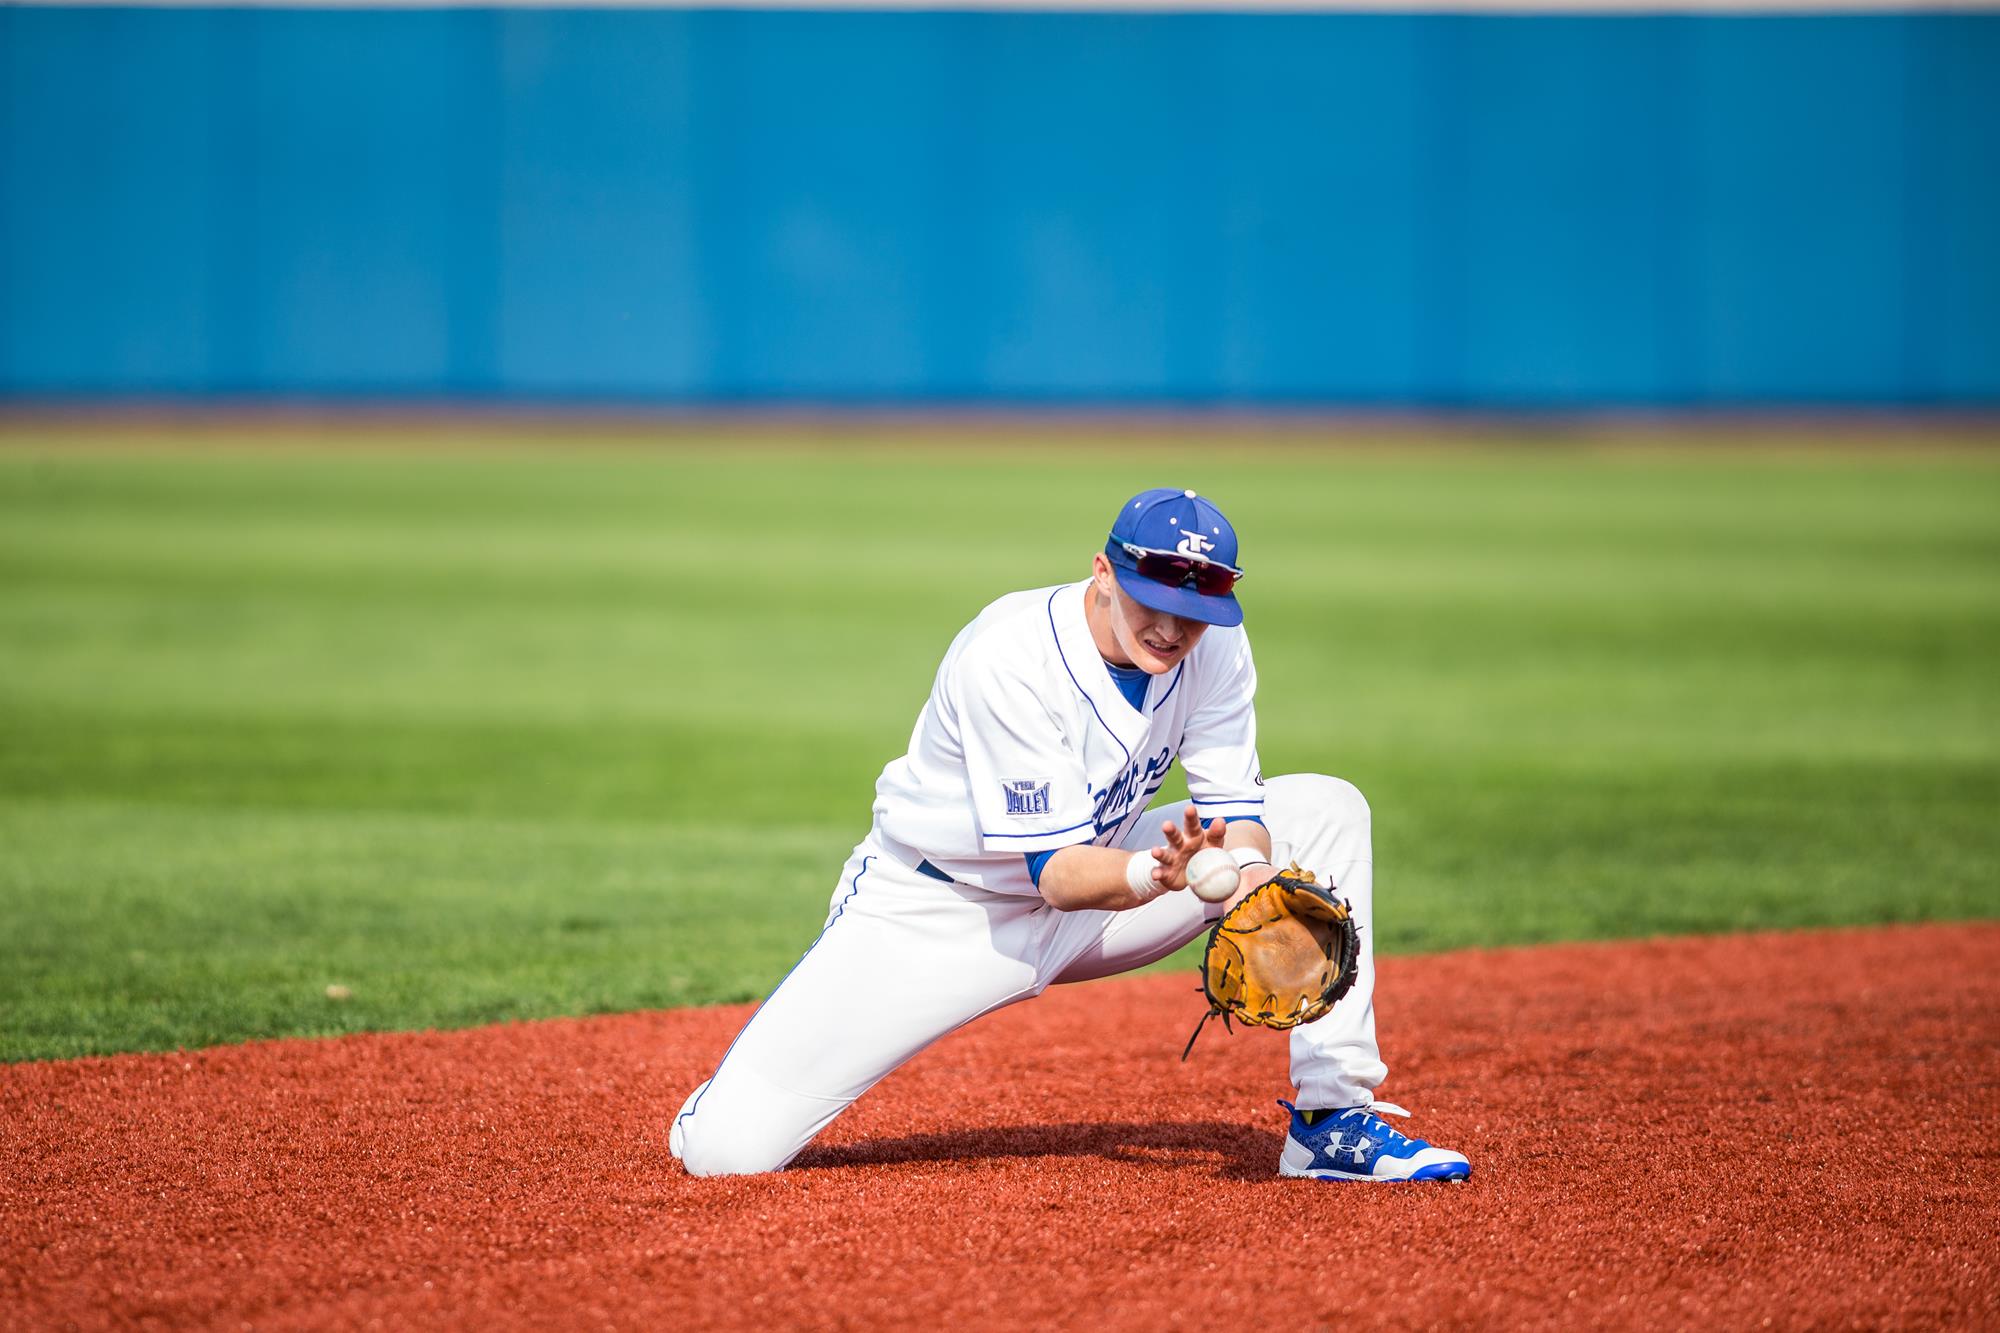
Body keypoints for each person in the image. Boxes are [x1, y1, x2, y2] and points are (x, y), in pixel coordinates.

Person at [671, 487, 1469, 1183]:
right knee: (725, 1152)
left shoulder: (1217, 643)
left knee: (1326, 806)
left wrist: (1252, 877)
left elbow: (1237, 807)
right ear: (1103, 573)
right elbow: (1055, 875)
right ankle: (731, 1091)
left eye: (1195, 613)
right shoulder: (1009, 657)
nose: (1173, 628)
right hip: (941, 912)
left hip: (1112, 886)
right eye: (1153, 600)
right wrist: (1162, 874)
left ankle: (1332, 1116)